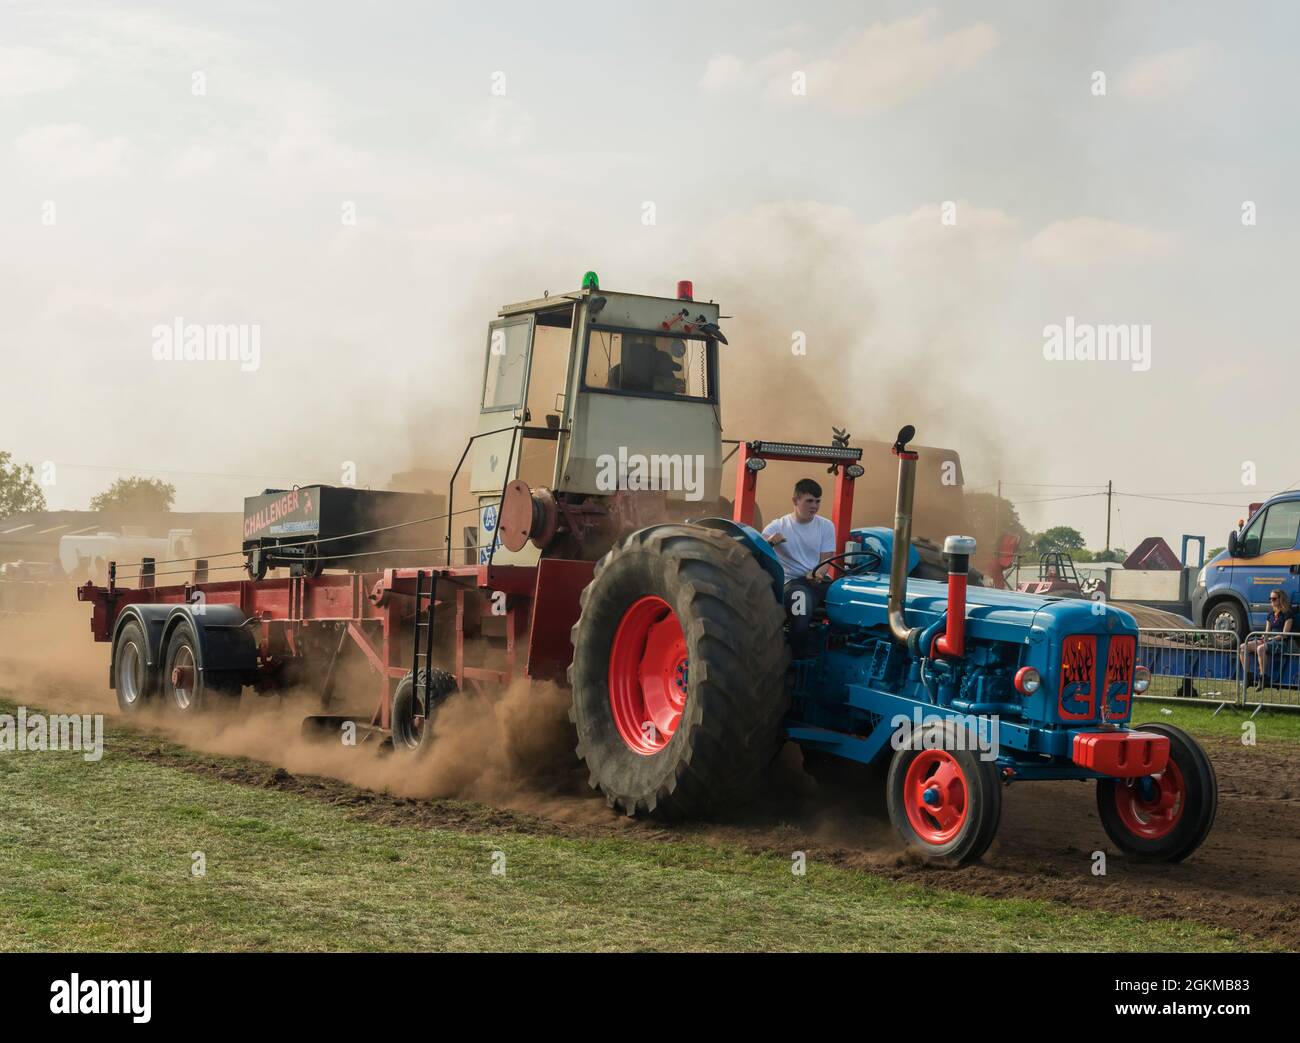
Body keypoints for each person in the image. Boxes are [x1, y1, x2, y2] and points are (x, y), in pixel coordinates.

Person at [762, 478, 837, 657]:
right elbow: (758, 551)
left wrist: (818, 573)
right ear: (795, 501)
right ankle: (794, 661)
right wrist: (770, 542)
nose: (814, 506)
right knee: (800, 614)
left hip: (817, 580)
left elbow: (826, 560)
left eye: (818, 501)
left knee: (846, 598)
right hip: (793, 583)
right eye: (809, 501)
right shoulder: (778, 526)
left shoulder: (826, 525)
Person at [1239, 588, 1298, 689]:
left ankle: (1263, 677)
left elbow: (1285, 634)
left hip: (1281, 642)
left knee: (1260, 648)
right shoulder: (1270, 615)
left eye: (1274, 598)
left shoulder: (1288, 614)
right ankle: (1248, 676)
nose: (1271, 600)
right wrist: (1264, 637)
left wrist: (1271, 638)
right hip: (1269, 640)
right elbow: (1266, 632)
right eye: (1270, 598)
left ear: (1281, 599)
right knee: (1243, 647)